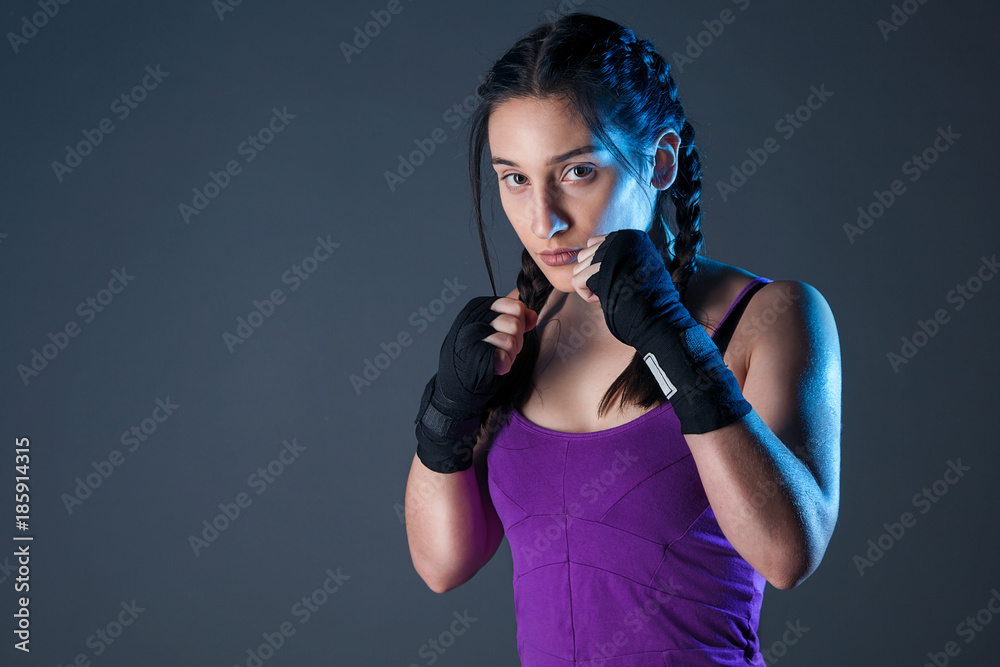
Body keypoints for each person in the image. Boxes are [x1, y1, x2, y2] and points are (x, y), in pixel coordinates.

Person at [404, 11, 841, 666]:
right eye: (515, 178)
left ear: (660, 160)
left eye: (577, 171)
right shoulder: (517, 336)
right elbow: (442, 565)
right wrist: (446, 412)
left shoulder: (769, 315)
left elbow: (788, 553)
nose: (543, 217)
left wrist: (675, 342)